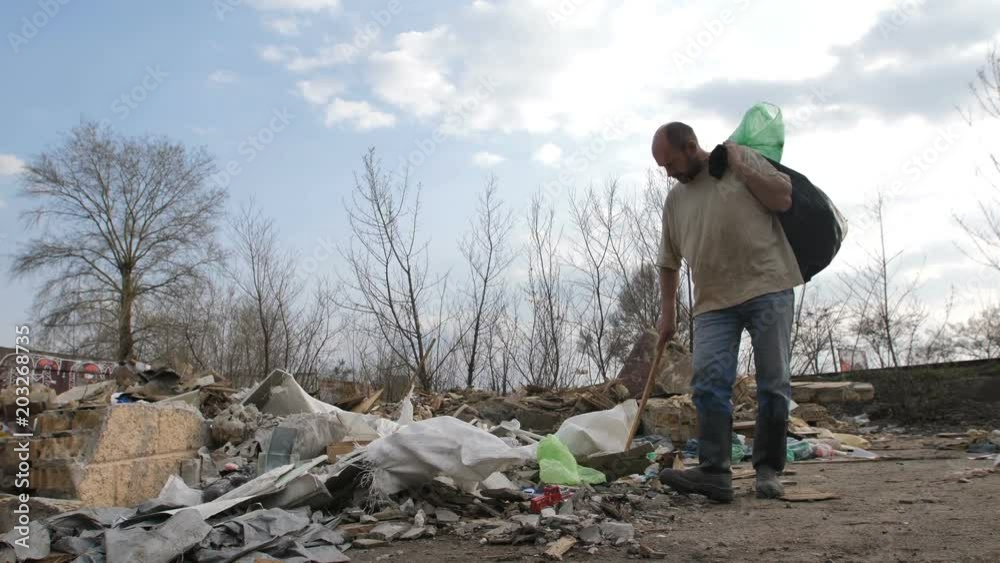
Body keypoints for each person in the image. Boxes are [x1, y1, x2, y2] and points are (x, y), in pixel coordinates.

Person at [650, 122, 803, 502]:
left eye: (670, 163)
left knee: (773, 381)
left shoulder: (739, 161)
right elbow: (668, 261)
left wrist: (740, 162)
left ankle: (768, 471)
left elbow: (783, 197)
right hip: (713, 304)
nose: (668, 173)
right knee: (708, 383)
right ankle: (715, 472)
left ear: (691, 146)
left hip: (767, 287)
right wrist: (667, 313)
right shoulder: (675, 201)